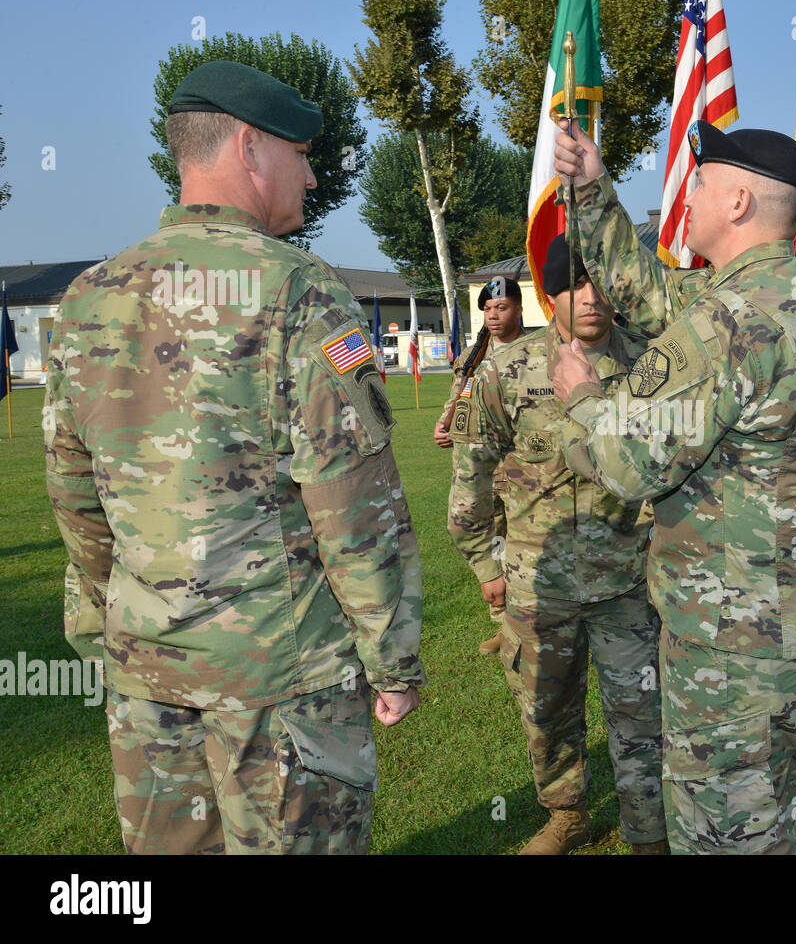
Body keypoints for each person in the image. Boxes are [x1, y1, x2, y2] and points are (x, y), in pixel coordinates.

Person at [42, 60, 425, 855]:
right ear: (249, 147)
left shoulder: (87, 297)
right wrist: (393, 660)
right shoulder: (301, 292)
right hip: (280, 680)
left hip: (147, 671)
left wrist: (108, 621)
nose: (314, 176)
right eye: (302, 152)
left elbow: (76, 497)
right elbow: (352, 503)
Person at [551, 118, 796, 855]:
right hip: (792, 619)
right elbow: (653, 296)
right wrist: (591, 191)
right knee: (781, 806)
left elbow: (627, 465)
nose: (687, 196)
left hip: (733, 641)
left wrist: (581, 400)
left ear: (740, 201)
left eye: (702, 182)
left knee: (728, 827)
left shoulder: (731, 320)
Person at [447, 234, 666, 855]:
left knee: (640, 717)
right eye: (573, 284)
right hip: (539, 580)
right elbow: (472, 469)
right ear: (549, 293)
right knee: (546, 711)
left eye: (599, 282)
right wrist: (483, 559)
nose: (590, 297)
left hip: (632, 579)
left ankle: (647, 828)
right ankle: (566, 813)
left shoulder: (653, 365)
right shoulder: (507, 369)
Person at [436, 276, 525, 656]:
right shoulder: (474, 355)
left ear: (519, 308)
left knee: (523, 549)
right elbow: (459, 398)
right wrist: (444, 423)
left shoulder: (532, 353)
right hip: (479, 473)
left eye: (501, 307)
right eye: (487, 309)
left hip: (518, 471)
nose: (492, 315)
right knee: (493, 544)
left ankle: (524, 626)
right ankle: (503, 625)